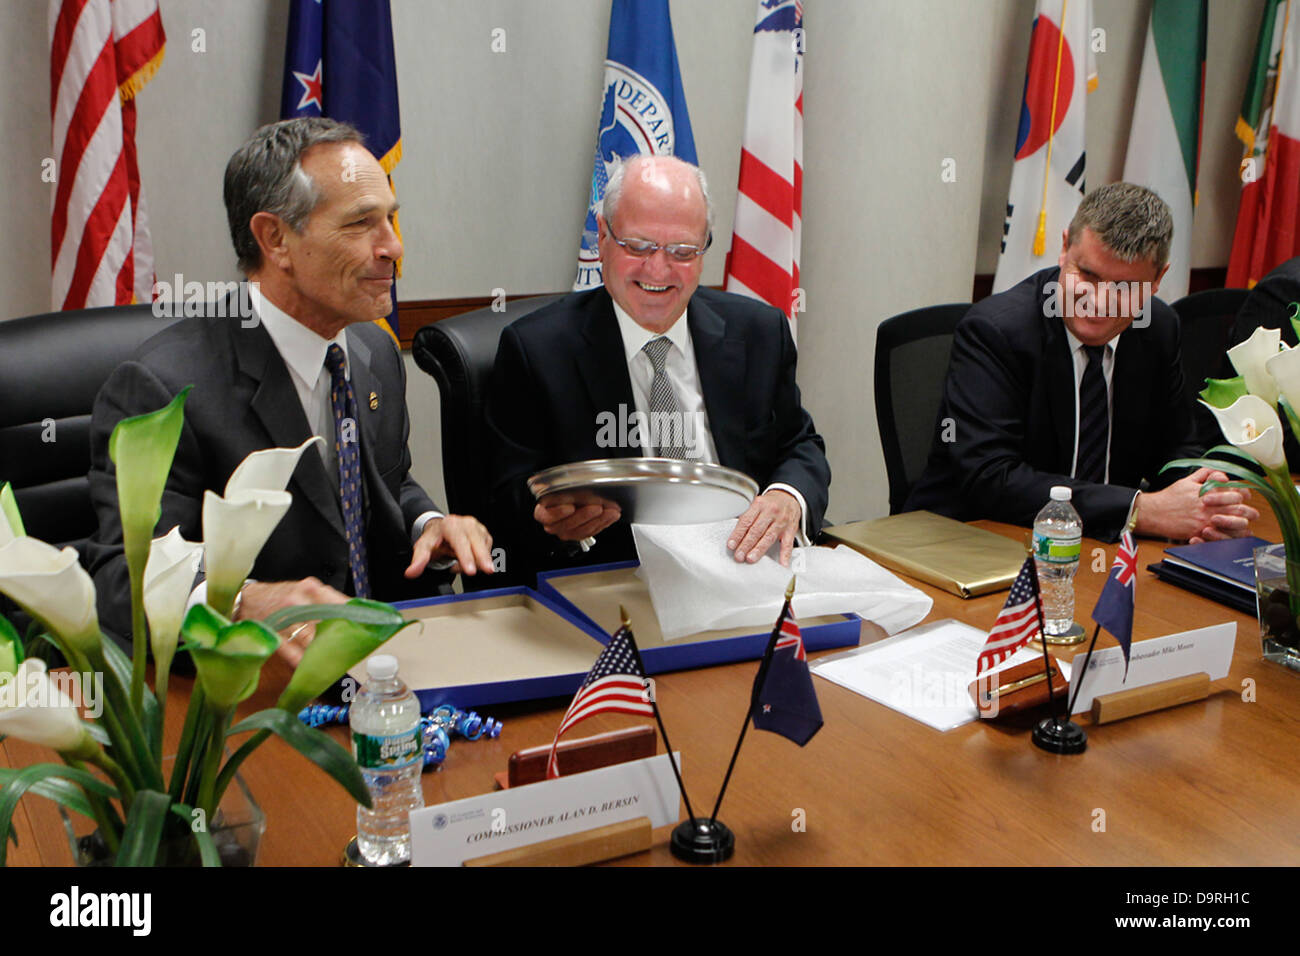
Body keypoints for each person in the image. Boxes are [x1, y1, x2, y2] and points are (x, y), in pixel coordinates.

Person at [85, 117, 493, 664]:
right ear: (275, 238)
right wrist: (241, 601)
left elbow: (387, 484)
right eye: (360, 224)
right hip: (255, 695)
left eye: (391, 219)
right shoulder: (161, 387)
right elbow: (124, 576)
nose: (393, 247)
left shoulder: (372, 353)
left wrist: (430, 524)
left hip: (391, 672)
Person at [485, 154, 830, 582]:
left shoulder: (759, 332)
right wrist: (558, 524)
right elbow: (504, 501)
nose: (658, 269)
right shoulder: (536, 350)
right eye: (639, 246)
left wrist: (787, 496)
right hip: (618, 583)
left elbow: (800, 444)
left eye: (682, 251)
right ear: (603, 236)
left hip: (745, 570)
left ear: (705, 249)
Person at [906, 182, 1257, 543]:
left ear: (1156, 281)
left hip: (1095, 545)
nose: (1099, 301)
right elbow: (991, 478)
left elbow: (1176, 446)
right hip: (974, 539)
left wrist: (1204, 493)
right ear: (1063, 249)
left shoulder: (1158, 329)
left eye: (1123, 287)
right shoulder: (997, 332)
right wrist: (1140, 510)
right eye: (1087, 275)